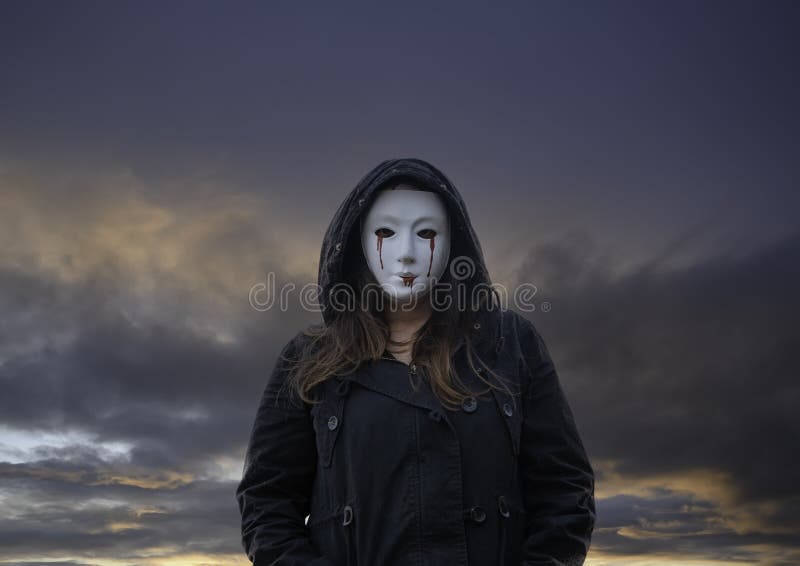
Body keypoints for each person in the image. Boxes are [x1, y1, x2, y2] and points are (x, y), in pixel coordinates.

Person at [235, 157, 596, 565]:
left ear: (453, 243)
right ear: (356, 242)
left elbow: (565, 492)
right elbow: (267, 503)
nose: (406, 254)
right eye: (386, 232)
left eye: (426, 232)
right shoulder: (308, 358)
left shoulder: (511, 343)